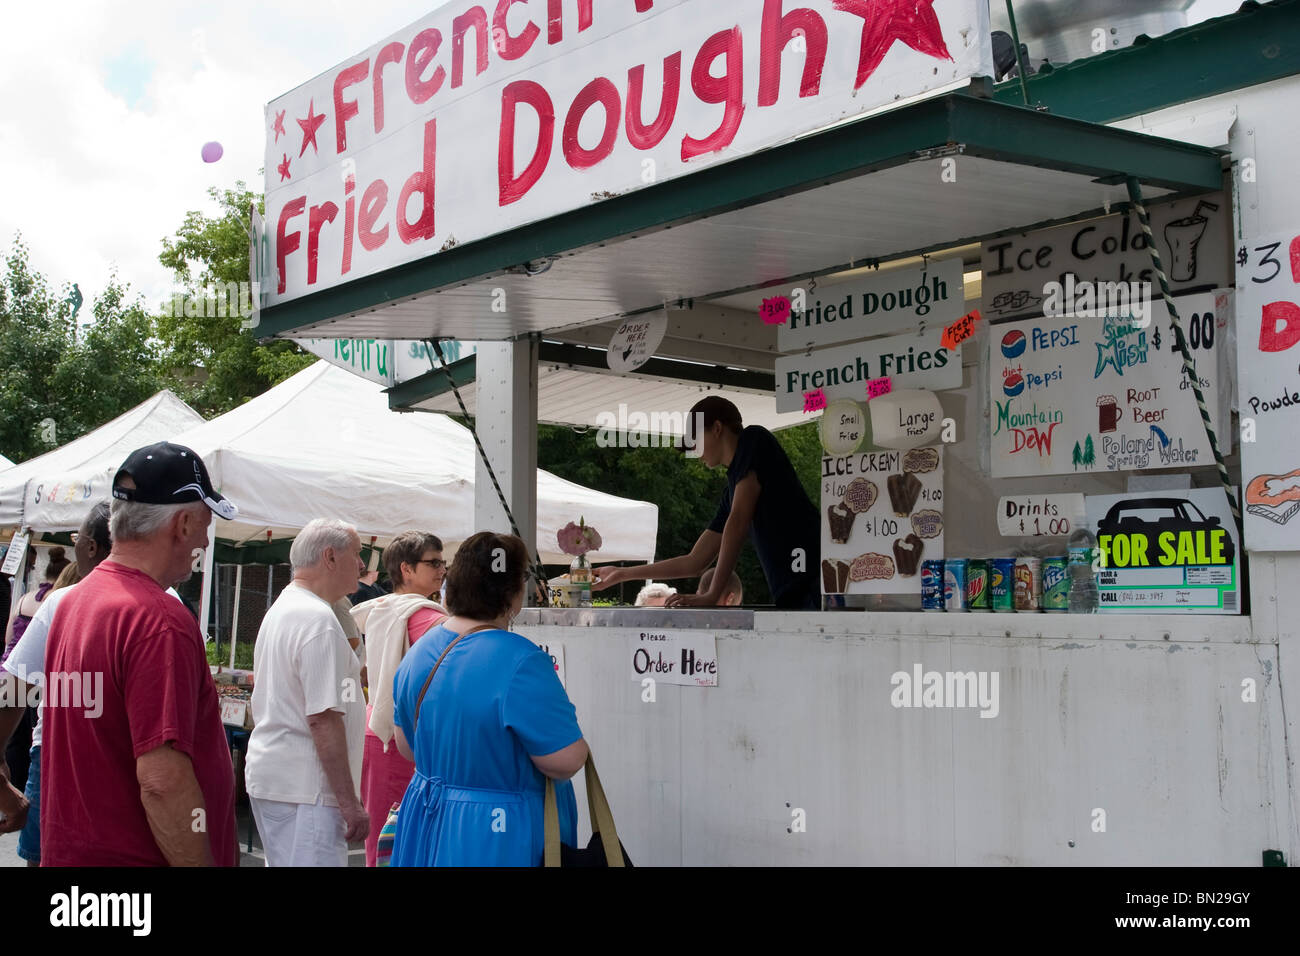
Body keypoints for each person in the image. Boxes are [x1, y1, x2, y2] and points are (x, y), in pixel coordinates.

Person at [41, 442, 239, 865]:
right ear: (183, 523)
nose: (205, 539)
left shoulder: (74, 601)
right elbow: (162, 782)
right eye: (205, 524)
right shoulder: (157, 619)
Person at [390, 531, 588, 866]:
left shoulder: (419, 651)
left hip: (428, 821)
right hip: (498, 835)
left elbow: (407, 746)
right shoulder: (522, 661)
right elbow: (566, 760)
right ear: (512, 593)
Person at [594, 395, 821, 609]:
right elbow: (695, 561)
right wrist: (622, 574)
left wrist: (711, 595)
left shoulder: (754, 439)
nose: (694, 451)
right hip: (793, 590)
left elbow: (738, 522)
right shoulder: (731, 492)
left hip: (817, 581)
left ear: (717, 428)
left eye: (695, 440)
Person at [244, 518, 368, 867]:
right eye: (357, 554)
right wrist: (349, 802)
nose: (361, 565)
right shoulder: (317, 618)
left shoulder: (287, 607)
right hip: (307, 789)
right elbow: (323, 719)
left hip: (285, 781)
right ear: (330, 557)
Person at [0, 503, 110, 865]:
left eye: (77, 537)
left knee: (47, 857)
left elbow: (13, 689)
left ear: (91, 547)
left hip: (55, 754)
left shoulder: (61, 601)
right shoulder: (169, 604)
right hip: (124, 762)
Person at [348, 531, 448, 866]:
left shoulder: (382, 607)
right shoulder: (428, 618)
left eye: (442, 562)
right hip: (403, 736)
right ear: (406, 569)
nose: (442, 569)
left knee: (383, 840)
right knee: (402, 840)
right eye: (433, 562)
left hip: (379, 728)